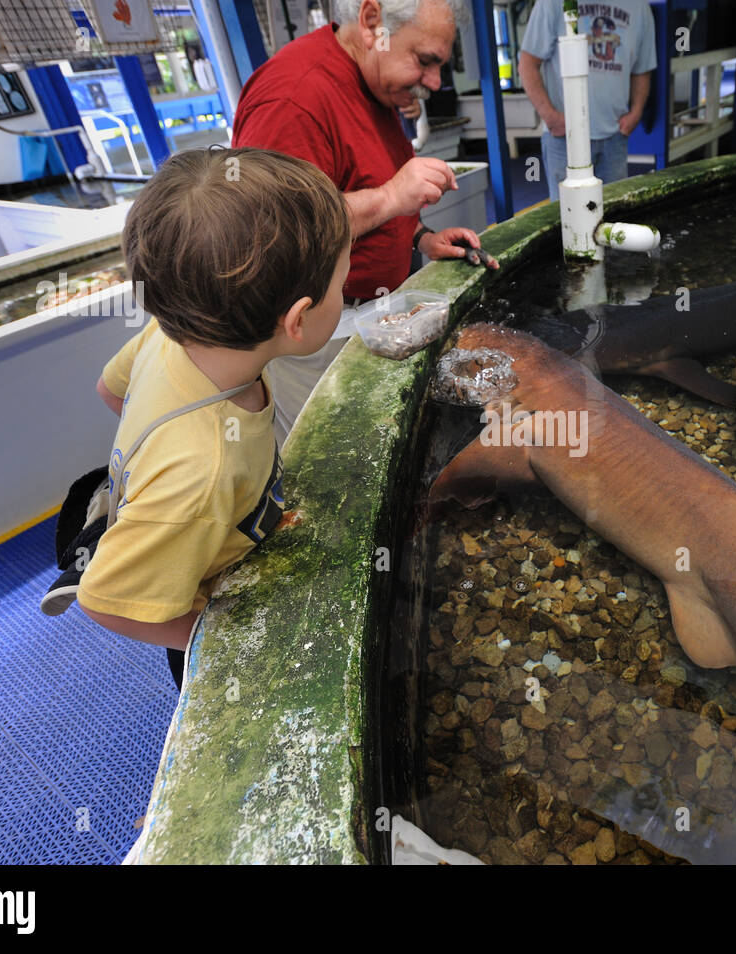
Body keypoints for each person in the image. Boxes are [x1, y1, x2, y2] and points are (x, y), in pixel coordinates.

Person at [75, 148, 352, 688]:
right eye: (344, 281)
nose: (346, 290)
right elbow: (107, 601)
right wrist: (223, 638)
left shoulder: (171, 334)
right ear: (297, 320)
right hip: (200, 623)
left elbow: (112, 392)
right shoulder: (204, 471)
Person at [232, 0, 497, 445]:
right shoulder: (294, 96)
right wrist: (394, 196)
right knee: (330, 465)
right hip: (313, 342)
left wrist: (421, 237)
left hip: (374, 320)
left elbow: (358, 183)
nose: (433, 82)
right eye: (425, 61)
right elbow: (269, 236)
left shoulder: (375, 82)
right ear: (373, 21)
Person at [517, 0, 657, 202]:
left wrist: (636, 112)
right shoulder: (551, 3)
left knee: (613, 216)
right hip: (565, 138)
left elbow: (642, 69)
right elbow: (527, 64)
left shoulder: (639, 7)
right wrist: (549, 116)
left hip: (614, 137)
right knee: (566, 217)